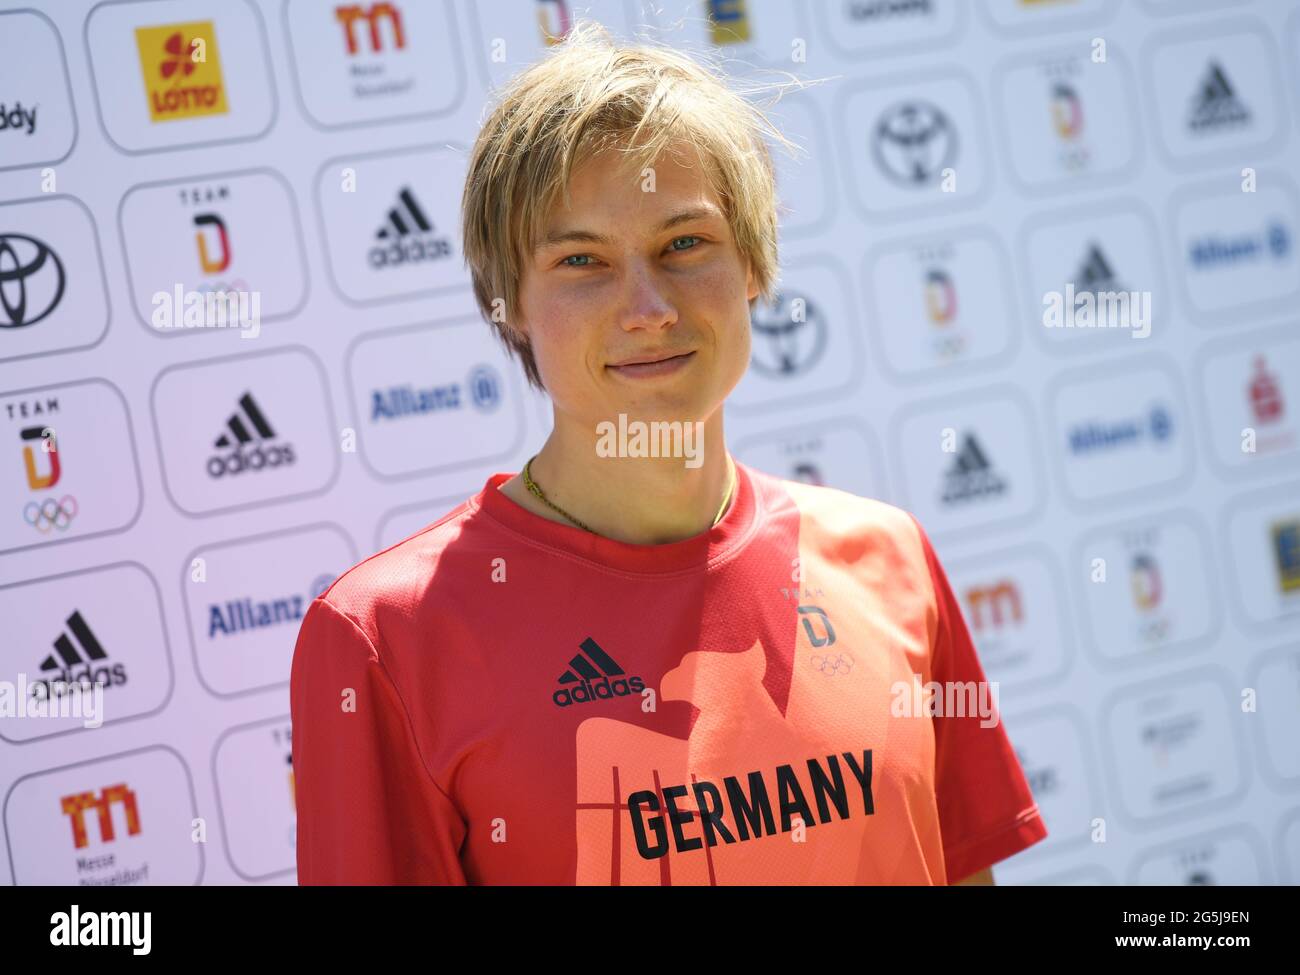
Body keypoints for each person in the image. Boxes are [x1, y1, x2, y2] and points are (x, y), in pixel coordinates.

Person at [290, 19, 1046, 885]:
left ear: (754, 266)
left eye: (685, 243)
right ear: (510, 303)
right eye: (583, 261)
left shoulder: (889, 559)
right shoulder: (386, 640)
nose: (647, 305)